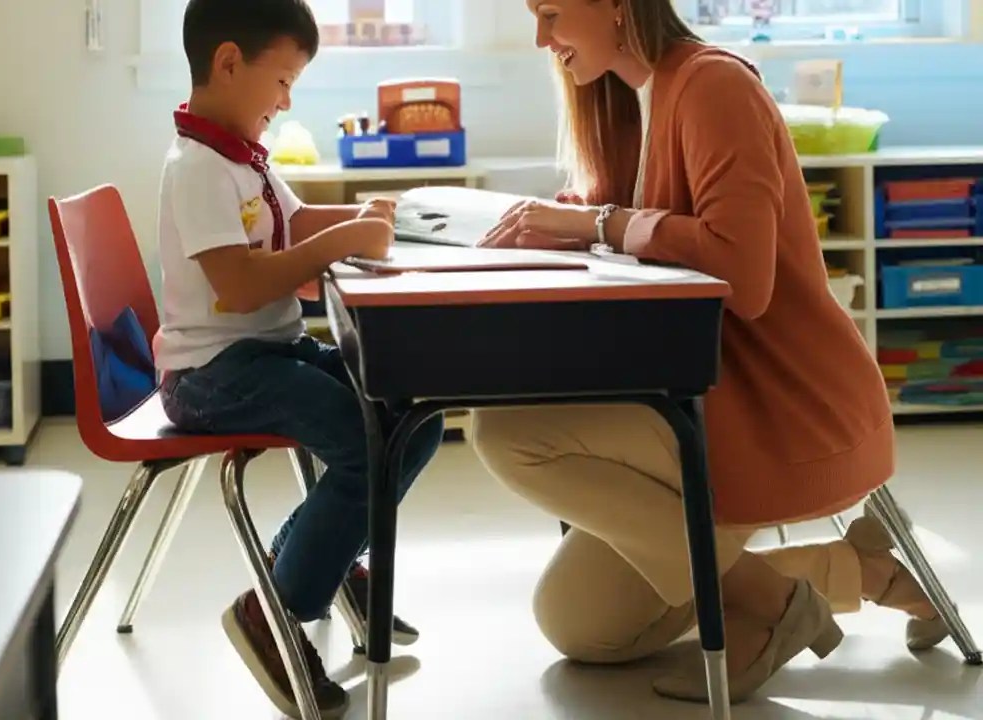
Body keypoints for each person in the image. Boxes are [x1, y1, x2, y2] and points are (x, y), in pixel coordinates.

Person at [469, 0, 949, 704]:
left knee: (508, 431)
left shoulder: (714, 86)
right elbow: (626, 213)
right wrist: (566, 225)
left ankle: (777, 609)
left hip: (778, 406)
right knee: (582, 629)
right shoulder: (628, 99)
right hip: (695, 391)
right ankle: (852, 572)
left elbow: (744, 275)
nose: (542, 39)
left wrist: (595, 223)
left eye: (550, 13)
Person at [154, 0, 444, 716]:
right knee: (360, 443)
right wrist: (337, 245)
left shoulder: (240, 156)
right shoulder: (197, 168)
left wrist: (369, 217)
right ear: (228, 63)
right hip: (211, 377)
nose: (287, 101)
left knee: (414, 414)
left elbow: (297, 223)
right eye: (282, 80)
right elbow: (242, 284)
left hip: (263, 354)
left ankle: (326, 559)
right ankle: (276, 612)